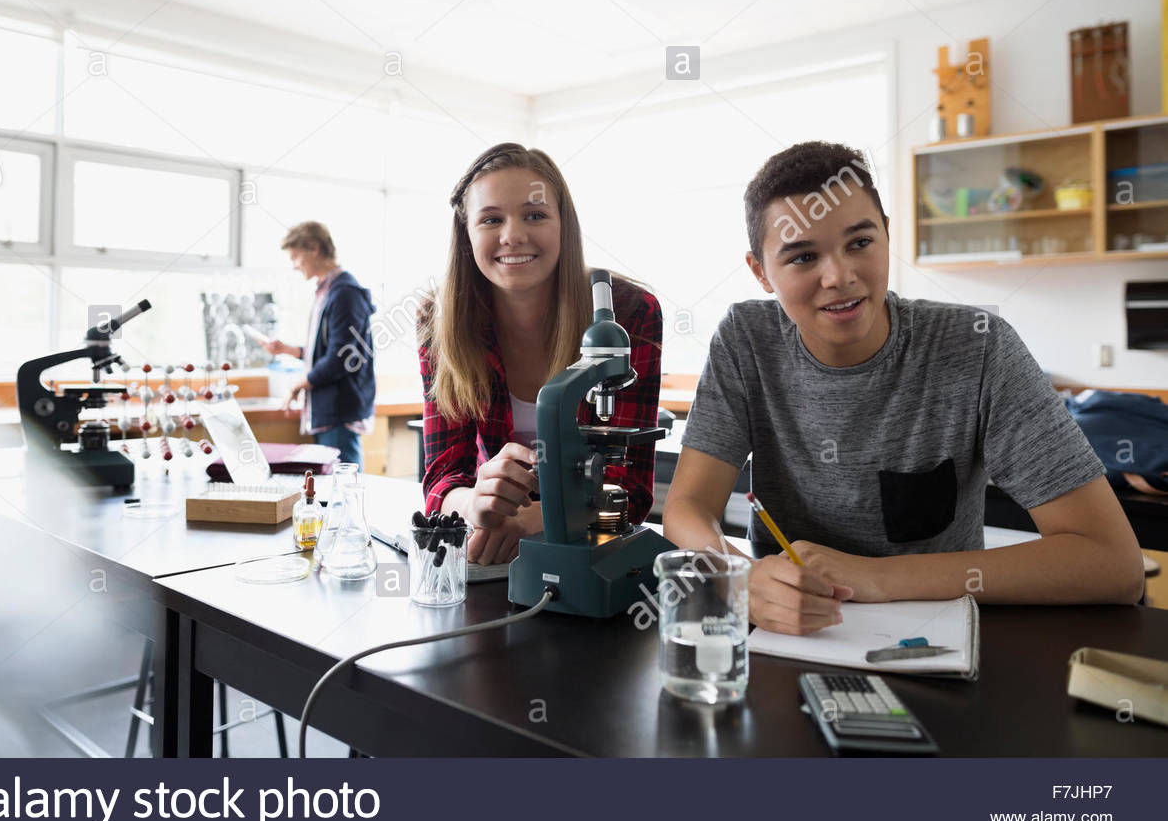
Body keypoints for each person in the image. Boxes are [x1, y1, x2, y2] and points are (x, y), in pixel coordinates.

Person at [663, 141, 1144, 635]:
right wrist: (738, 577)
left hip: (936, 644)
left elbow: (1114, 564)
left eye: (860, 243)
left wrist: (873, 577)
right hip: (788, 640)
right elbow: (687, 508)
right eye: (803, 257)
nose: (840, 277)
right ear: (761, 272)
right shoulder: (746, 339)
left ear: (887, 235)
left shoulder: (978, 347)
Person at [418, 143, 663, 566]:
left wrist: (539, 518)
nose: (512, 235)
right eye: (491, 219)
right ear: (467, 234)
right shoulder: (438, 319)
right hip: (494, 545)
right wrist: (477, 504)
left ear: (564, 226)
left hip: (591, 550)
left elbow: (632, 492)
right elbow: (443, 478)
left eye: (535, 215)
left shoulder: (629, 312)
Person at [268, 221, 375, 470]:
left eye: (296, 256)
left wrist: (299, 384)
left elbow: (340, 358)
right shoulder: (328, 291)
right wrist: (289, 350)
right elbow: (330, 351)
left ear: (314, 249)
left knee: (343, 489)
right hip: (330, 410)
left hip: (339, 411)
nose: (295, 264)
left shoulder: (344, 293)